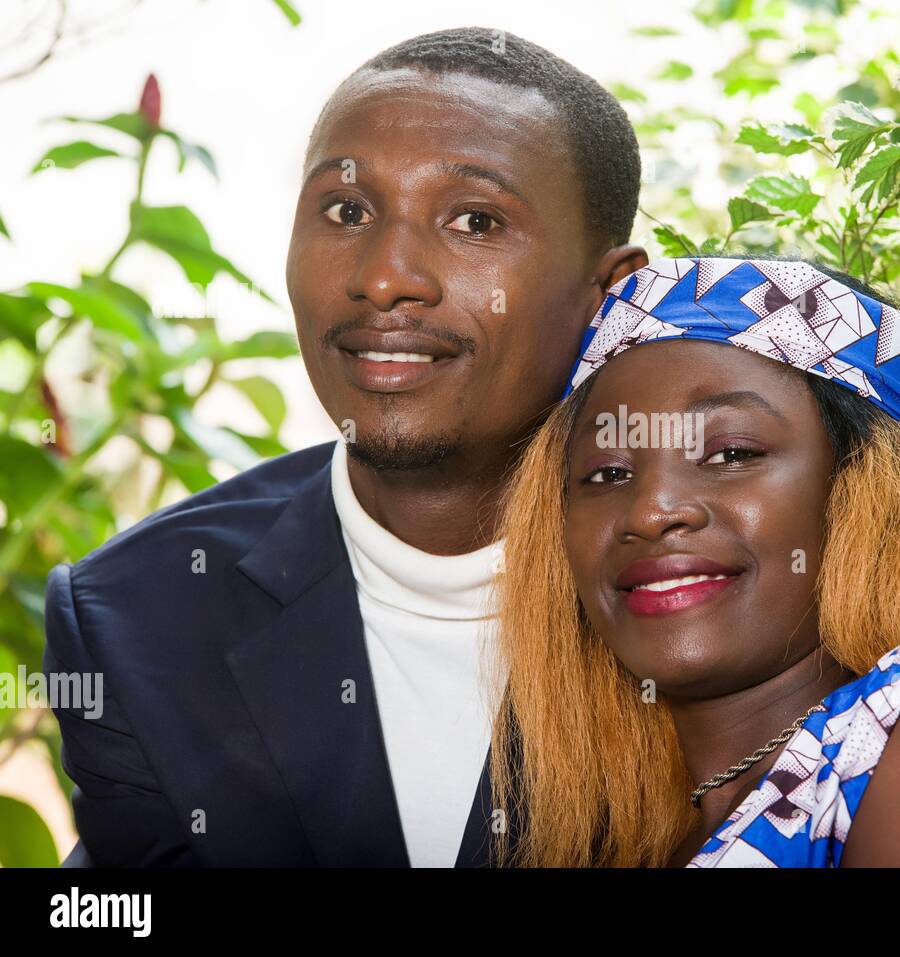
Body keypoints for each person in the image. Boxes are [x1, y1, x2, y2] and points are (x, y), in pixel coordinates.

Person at [41, 27, 648, 866]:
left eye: (474, 219)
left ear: (607, 293)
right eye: (347, 210)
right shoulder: (134, 618)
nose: (385, 273)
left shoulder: (706, 592)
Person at [488, 255, 900, 867]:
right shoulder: (601, 826)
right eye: (606, 472)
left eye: (731, 453)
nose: (651, 511)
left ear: (862, 493)